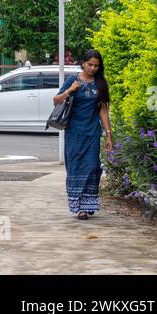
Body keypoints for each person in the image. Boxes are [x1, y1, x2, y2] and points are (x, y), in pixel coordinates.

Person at [53, 48, 113, 219]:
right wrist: (70, 90)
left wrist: (109, 135)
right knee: (75, 168)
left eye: (96, 66)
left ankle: (88, 203)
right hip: (74, 132)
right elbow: (56, 101)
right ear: (83, 63)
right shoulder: (73, 80)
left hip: (92, 132)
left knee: (93, 166)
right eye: (90, 65)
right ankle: (78, 207)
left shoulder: (100, 84)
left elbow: (103, 111)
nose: (93, 68)